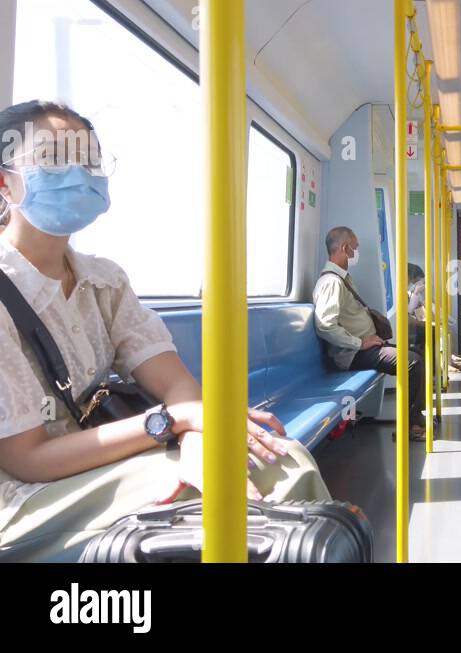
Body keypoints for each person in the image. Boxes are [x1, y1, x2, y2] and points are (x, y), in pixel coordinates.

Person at [0, 101, 329, 561]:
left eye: (88, 160)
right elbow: (26, 458)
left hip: (100, 460)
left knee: (283, 462)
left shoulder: (104, 281)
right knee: (216, 500)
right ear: (5, 182)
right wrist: (174, 423)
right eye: (53, 157)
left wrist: (198, 436)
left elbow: (175, 384)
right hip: (24, 497)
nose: (77, 173)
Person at [314, 227, 426, 440]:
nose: (357, 253)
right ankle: (409, 426)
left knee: (415, 354)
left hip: (362, 348)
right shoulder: (331, 282)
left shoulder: (343, 279)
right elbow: (325, 325)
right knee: (411, 362)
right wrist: (360, 343)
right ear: (345, 248)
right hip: (351, 354)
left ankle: (414, 419)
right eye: (355, 248)